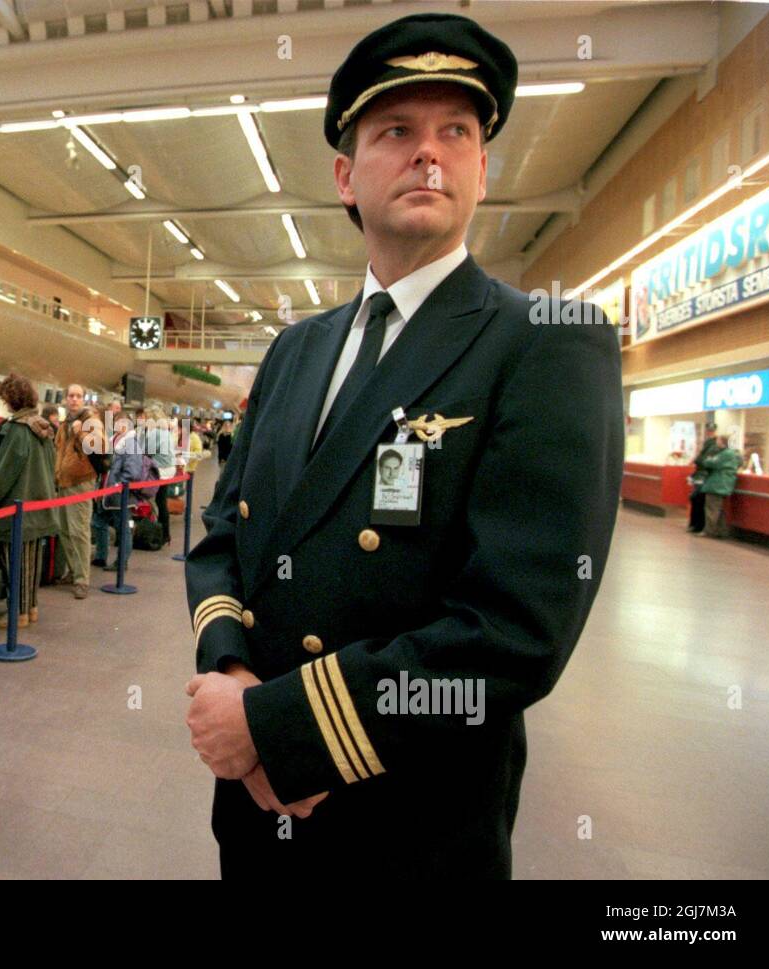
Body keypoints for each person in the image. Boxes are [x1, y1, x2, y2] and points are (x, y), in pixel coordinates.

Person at [183, 12, 623, 880]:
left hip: (412, 829)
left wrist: (284, 731)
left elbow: (515, 630)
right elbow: (225, 537)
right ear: (346, 177)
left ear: (484, 169)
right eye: (397, 131)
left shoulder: (543, 342)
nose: (430, 153)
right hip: (253, 812)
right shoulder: (295, 349)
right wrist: (227, 669)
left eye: (456, 132)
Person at [0, 374, 59, 627]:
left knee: (15, 566)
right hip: (39, 506)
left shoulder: (16, 430)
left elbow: (3, 474)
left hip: (15, 509)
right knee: (31, 565)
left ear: (10, 399)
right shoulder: (42, 427)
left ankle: (18, 615)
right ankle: (31, 608)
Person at [54, 384, 102, 599]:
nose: (73, 399)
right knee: (64, 529)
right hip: (63, 482)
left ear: (83, 399)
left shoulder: (90, 420)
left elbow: (100, 446)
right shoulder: (65, 423)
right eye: (70, 395)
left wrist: (80, 432)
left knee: (79, 531)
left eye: (78, 396)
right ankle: (73, 571)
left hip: (81, 482)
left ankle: (82, 579)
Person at [92, 413, 143, 572]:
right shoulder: (113, 440)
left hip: (119, 493)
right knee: (98, 522)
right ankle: (101, 556)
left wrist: (117, 484)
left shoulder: (131, 445)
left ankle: (122, 562)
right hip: (106, 493)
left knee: (123, 529)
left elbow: (133, 472)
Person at [698, 435, 740, 539]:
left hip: (717, 485)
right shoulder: (733, 454)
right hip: (724, 484)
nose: (716, 443)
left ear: (722, 442)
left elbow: (711, 463)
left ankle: (709, 531)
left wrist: (708, 459)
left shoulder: (725, 454)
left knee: (712, 509)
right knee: (719, 509)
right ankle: (721, 531)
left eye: (718, 441)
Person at [145, 405, 176, 546]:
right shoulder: (166, 432)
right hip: (169, 469)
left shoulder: (154, 432)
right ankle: (166, 534)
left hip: (160, 471)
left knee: (155, 502)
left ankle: (159, 532)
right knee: (161, 502)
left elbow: (148, 451)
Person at [686, 424, 719, 533]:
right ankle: (695, 524)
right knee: (696, 499)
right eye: (708, 430)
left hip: (703, 476)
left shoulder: (712, 445)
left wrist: (698, 461)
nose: (709, 432)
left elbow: (703, 461)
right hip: (701, 475)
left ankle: (698, 525)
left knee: (698, 499)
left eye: (711, 430)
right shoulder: (708, 443)